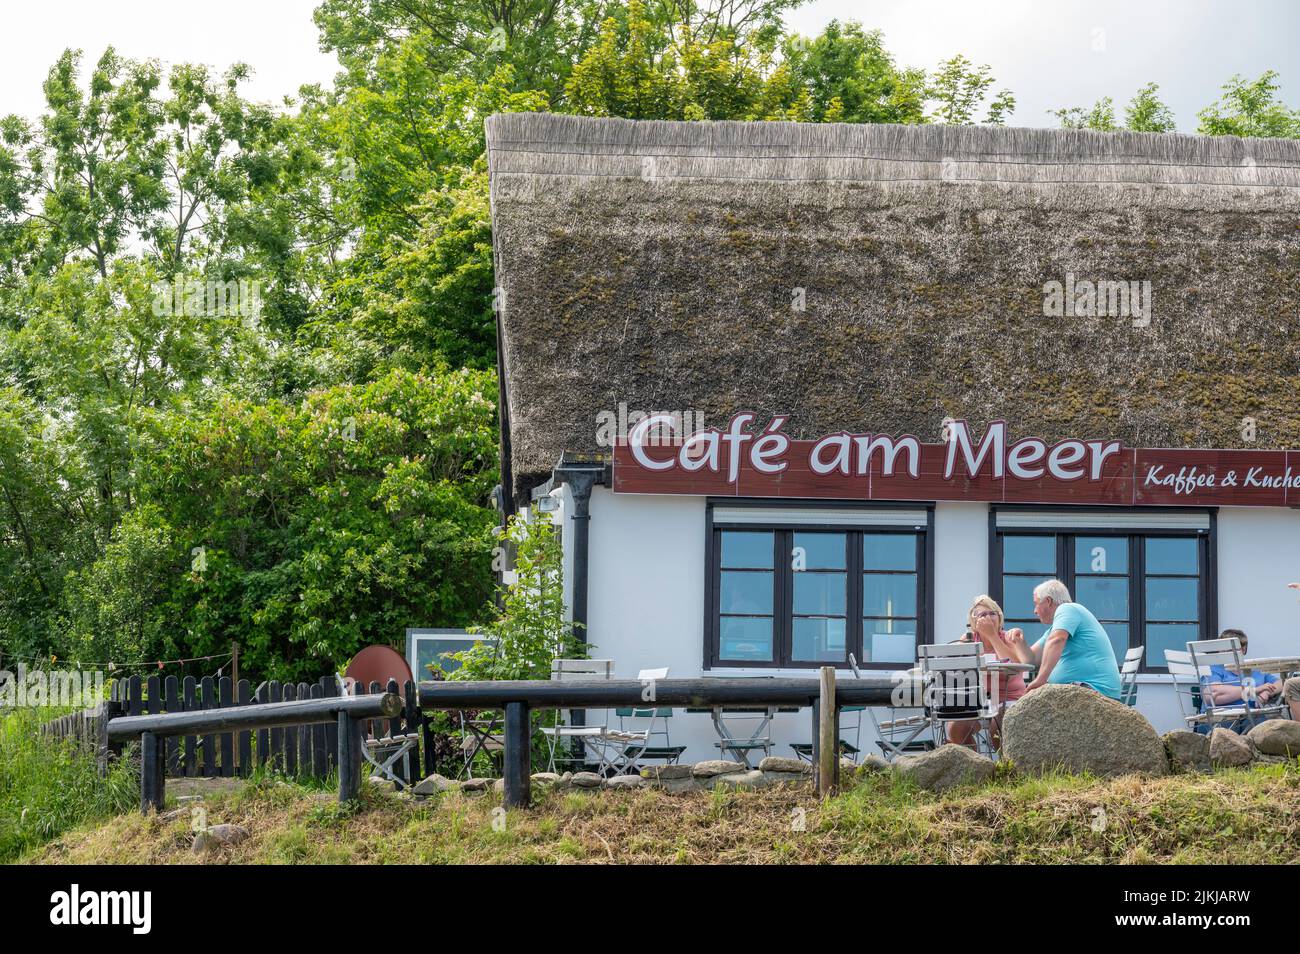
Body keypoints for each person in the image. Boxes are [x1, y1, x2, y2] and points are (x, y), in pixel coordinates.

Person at [1004, 579, 1122, 700]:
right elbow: (1031, 660)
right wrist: (1019, 642)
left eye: (1036, 604)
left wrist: (1041, 679)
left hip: (1093, 690)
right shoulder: (1055, 628)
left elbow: (1057, 640)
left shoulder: (1068, 609)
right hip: (1082, 690)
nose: (1035, 611)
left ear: (1048, 601)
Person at [946, 595, 1026, 749]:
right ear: (974, 622)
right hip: (979, 701)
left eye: (992, 613)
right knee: (956, 727)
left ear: (999, 617)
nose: (988, 617)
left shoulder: (1009, 637)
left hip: (1010, 699)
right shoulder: (968, 639)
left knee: (998, 728)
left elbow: (1014, 667)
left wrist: (992, 635)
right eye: (982, 615)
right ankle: (975, 766)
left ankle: (1006, 768)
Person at [1196, 628, 1283, 734]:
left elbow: (1281, 683)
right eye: (1223, 647)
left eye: (1232, 648)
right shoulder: (1214, 668)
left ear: (1243, 649)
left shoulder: (1255, 669)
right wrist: (1254, 690)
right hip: (1219, 719)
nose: (1226, 651)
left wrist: (1267, 692)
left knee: (1272, 728)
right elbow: (1212, 695)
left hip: (1250, 718)